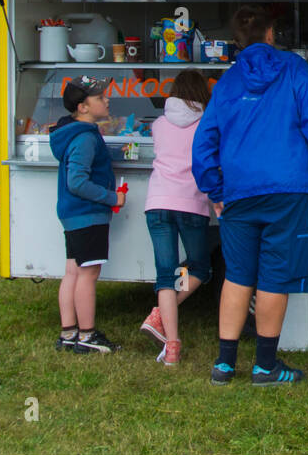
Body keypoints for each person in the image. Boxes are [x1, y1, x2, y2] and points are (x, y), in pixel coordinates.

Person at [192, 5, 308, 386]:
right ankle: (265, 366)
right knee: (275, 277)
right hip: (288, 189)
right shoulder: (295, 70)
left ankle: (224, 365)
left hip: (239, 191)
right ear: (272, 34)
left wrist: (214, 187)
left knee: (238, 275)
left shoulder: (226, 83)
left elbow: (204, 142)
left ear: (238, 40)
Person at [140, 69, 214, 366]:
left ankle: (171, 346)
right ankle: (157, 314)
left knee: (165, 275)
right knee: (200, 267)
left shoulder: (158, 123)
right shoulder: (207, 124)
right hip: (191, 203)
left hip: (157, 203)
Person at [48, 76, 125, 354]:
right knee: (88, 274)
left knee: (73, 271)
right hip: (88, 214)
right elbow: (77, 181)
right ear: (83, 107)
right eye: (100, 97)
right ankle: (87, 335)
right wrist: (111, 197)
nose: (106, 100)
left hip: (73, 214)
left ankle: (69, 332)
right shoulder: (85, 138)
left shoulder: (73, 133)